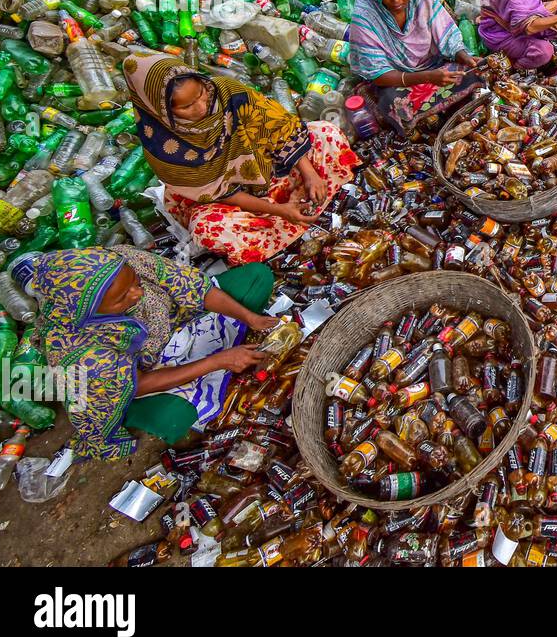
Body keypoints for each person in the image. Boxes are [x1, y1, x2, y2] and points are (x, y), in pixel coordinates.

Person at [21, 246, 279, 459]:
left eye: (134, 281)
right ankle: (220, 363)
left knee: (257, 277)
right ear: (90, 310)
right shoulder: (77, 351)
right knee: (175, 420)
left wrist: (251, 318)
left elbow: (192, 287)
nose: (139, 292)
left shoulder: (124, 260)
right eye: (123, 297)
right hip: (141, 378)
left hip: (181, 324)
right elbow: (138, 383)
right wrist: (216, 361)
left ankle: (233, 347)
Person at [123, 52, 358, 265]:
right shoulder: (163, 144)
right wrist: (279, 211)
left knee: (326, 134)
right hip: (228, 201)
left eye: (201, 93)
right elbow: (221, 193)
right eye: (187, 106)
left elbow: (277, 129)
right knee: (210, 229)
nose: (202, 107)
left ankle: (300, 203)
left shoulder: (226, 91)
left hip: (271, 171)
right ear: (160, 109)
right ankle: (283, 220)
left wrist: (310, 174)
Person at [350, 0, 482, 131]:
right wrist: (427, 77)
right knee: (395, 104)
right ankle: (434, 120)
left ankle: (446, 113)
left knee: (475, 71)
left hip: (435, 68)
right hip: (397, 80)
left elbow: (447, 35)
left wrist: (463, 56)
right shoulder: (365, 19)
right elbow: (379, 75)